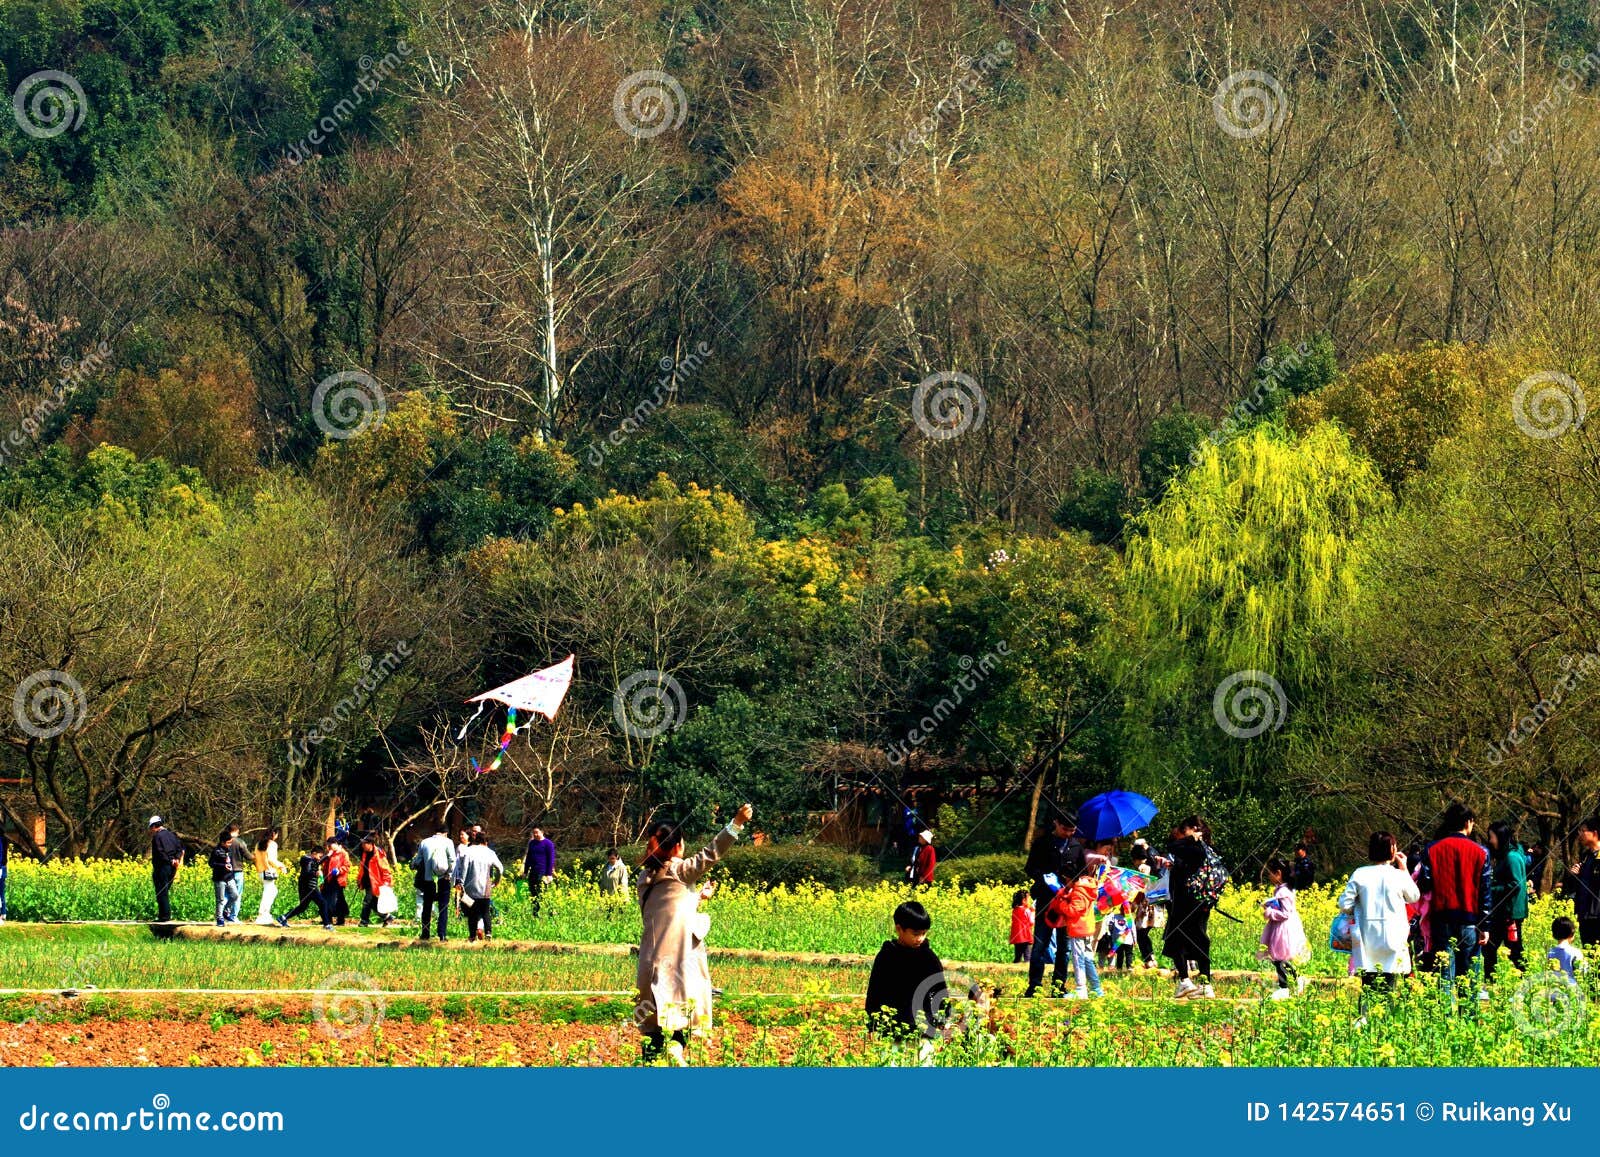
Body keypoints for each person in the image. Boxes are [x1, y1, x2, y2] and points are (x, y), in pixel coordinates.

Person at [635, 803, 752, 1064]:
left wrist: (697, 897)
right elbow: (712, 852)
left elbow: (666, 910)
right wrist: (737, 823)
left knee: (652, 1028)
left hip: (650, 963)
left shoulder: (645, 877)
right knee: (684, 1019)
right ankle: (676, 1052)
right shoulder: (680, 870)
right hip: (678, 962)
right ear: (677, 846)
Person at [1339, 831, 1421, 1021]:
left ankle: (1364, 1021)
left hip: (1367, 940)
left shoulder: (1360, 874)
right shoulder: (1398, 876)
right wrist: (1404, 870)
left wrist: (1358, 907)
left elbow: (1345, 904)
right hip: (1394, 938)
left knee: (1367, 984)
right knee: (1390, 985)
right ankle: (1385, 1024)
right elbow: (1414, 896)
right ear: (1392, 850)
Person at [1419, 801, 1491, 1000]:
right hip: (1470, 920)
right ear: (1468, 822)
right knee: (1469, 975)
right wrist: (1485, 925)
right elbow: (1485, 892)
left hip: (1441, 919)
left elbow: (1425, 884)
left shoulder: (1432, 849)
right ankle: (1468, 1021)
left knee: (1444, 975)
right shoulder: (1481, 852)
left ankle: (1445, 1020)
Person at [864, 899, 950, 1045]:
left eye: (924, 933)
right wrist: (873, 1025)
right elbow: (875, 992)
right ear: (899, 929)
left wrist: (943, 1019)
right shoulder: (887, 956)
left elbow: (940, 991)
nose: (920, 938)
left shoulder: (929, 958)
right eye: (915, 933)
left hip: (923, 1033)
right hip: (891, 1030)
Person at [1023, 813, 1082, 996]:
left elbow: (1081, 874)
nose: (1068, 833)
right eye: (1065, 829)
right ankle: (1035, 987)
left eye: (1072, 830)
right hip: (1046, 901)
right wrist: (1045, 878)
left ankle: (1058, 987)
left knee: (1064, 948)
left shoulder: (1076, 846)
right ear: (1056, 822)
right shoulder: (1042, 843)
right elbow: (1029, 868)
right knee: (1040, 945)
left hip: (1067, 904)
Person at [1161, 816, 1218, 999]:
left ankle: (1186, 981)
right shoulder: (1208, 848)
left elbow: (1172, 847)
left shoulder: (1195, 847)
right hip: (1202, 903)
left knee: (1176, 938)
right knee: (1199, 940)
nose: (1182, 835)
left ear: (1193, 829)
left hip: (1186, 903)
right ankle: (1205, 984)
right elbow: (1189, 867)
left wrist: (1190, 838)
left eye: (1184, 831)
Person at [1484, 820, 1530, 982]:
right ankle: (1492, 979)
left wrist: (1491, 889)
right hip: (1505, 911)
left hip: (1509, 912)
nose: (1490, 841)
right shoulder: (1509, 855)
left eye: (1492, 837)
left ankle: (1526, 979)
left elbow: (1515, 884)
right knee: (1493, 946)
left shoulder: (1512, 857)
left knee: (1512, 948)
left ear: (1501, 837)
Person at [1261, 856, 1309, 999]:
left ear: (1278, 873)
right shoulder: (1283, 889)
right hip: (1281, 927)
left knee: (1280, 958)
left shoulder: (1283, 892)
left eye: (1270, 873)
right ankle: (1294, 982)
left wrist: (1268, 912)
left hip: (1284, 929)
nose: (1268, 876)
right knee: (1280, 958)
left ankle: (1286, 986)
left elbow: (1286, 913)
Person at [1061, 863, 1104, 999]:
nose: (1065, 882)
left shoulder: (1079, 890)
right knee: (1087, 959)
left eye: (1065, 879)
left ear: (1069, 877)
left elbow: (1074, 910)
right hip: (1086, 928)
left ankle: (1081, 989)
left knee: (1078, 958)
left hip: (1078, 929)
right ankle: (1096, 989)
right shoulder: (1086, 887)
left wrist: (1062, 903)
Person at [410, 820, 456, 941]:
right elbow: (452, 860)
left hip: (428, 879)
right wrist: (449, 874)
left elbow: (418, 861)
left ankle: (425, 933)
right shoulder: (448, 842)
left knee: (427, 906)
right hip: (443, 878)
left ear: (435, 832)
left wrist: (413, 865)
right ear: (445, 833)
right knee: (443, 907)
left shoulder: (425, 842)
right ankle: (442, 934)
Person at [455, 830, 504, 942]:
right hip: (485, 887)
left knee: (472, 913)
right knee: (485, 911)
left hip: (470, 887)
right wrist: (496, 881)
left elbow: (464, 869)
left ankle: (472, 936)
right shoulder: (490, 852)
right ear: (486, 841)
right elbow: (500, 869)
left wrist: (461, 883)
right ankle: (488, 933)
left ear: (475, 840)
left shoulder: (468, 851)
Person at [1564, 817, 1600, 947]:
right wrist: (1575, 875)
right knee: (1589, 952)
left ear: (1594, 833)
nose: (1580, 834)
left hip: (1597, 914)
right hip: (1585, 914)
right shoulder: (1586, 856)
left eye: (1583, 831)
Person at [280, 847, 328, 927]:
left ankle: (283, 917)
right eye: (319, 856)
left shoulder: (311, 860)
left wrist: (328, 855)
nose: (320, 859)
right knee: (322, 903)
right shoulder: (307, 860)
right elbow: (307, 872)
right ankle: (327, 924)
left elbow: (317, 862)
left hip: (304, 886)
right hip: (310, 887)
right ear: (314, 853)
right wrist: (316, 873)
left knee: (302, 907)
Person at [149, 816, 183, 922]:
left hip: (162, 867)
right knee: (165, 891)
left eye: (151, 827)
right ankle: (164, 915)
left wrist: (169, 860)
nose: (151, 830)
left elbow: (160, 852)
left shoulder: (157, 837)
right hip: (173, 868)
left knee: (161, 891)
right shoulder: (172, 835)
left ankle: (164, 916)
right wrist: (176, 859)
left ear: (155, 826)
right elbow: (179, 849)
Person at [357, 835, 395, 928]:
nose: (363, 845)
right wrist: (359, 880)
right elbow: (362, 868)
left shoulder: (379, 854)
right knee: (373, 903)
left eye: (365, 843)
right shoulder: (364, 853)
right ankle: (387, 917)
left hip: (375, 883)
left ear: (370, 844)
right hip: (366, 881)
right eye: (362, 843)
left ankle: (364, 921)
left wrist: (386, 882)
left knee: (367, 901)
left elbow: (385, 870)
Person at [253, 827, 286, 925]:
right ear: (274, 834)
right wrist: (281, 865)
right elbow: (271, 859)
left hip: (261, 871)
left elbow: (256, 857)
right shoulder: (272, 844)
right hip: (268, 871)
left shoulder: (258, 844)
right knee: (269, 892)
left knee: (272, 891)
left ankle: (265, 913)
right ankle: (262, 915)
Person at [522, 826, 556, 918]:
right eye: (534, 833)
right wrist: (525, 871)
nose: (535, 835)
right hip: (533, 871)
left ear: (542, 832)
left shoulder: (548, 844)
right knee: (533, 894)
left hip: (543, 872)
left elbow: (551, 859)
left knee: (542, 893)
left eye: (537, 832)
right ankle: (535, 914)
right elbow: (528, 858)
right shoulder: (532, 843)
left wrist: (549, 874)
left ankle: (551, 912)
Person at [208, 828, 239, 927]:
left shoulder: (229, 850)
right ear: (222, 842)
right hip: (219, 878)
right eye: (228, 843)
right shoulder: (216, 851)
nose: (230, 844)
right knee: (220, 900)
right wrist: (222, 866)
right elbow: (211, 863)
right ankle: (219, 918)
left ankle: (226, 911)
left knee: (235, 895)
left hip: (229, 877)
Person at [320, 836, 352, 926]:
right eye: (328, 845)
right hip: (328, 879)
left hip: (338, 880)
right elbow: (325, 865)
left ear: (337, 844)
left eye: (331, 844)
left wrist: (339, 870)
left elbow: (347, 866)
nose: (329, 847)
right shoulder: (330, 853)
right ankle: (327, 919)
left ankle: (341, 919)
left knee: (338, 900)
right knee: (326, 898)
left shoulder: (343, 854)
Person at [224, 823, 249, 924]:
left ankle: (223, 915)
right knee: (237, 894)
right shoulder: (240, 842)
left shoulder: (224, 842)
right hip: (238, 871)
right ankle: (234, 916)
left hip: (226, 872)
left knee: (226, 894)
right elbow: (247, 856)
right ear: (236, 831)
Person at [1549, 916, 1583, 985]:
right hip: (1573, 991)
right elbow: (1583, 972)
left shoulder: (1550, 952)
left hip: (1556, 990)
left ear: (1553, 935)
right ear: (1572, 933)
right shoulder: (1576, 953)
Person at [1008, 890, 1033, 963]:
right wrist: (1033, 912)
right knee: (1027, 956)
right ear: (1024, 900)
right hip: (1025, 935)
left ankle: (1016, 965)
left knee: (1018, 956)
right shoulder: (1027, 910)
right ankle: (1026, 968)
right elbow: (1031, 922)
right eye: (1028, 899)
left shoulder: (1014, 910)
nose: (1029, 901)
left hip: (1017, 936)